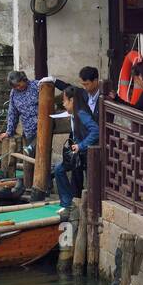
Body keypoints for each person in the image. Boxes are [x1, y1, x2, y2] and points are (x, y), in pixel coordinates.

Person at [53, 86, 98, 220]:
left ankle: (80, 207)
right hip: (79, 154)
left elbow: (95, 131)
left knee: (61, 169)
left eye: (65, 100)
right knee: (59, 169)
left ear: (72, 100)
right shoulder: (73, 114)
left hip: (88, 153)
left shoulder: (81, 114)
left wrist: (81, 145)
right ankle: (68, 204)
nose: (63, 103)